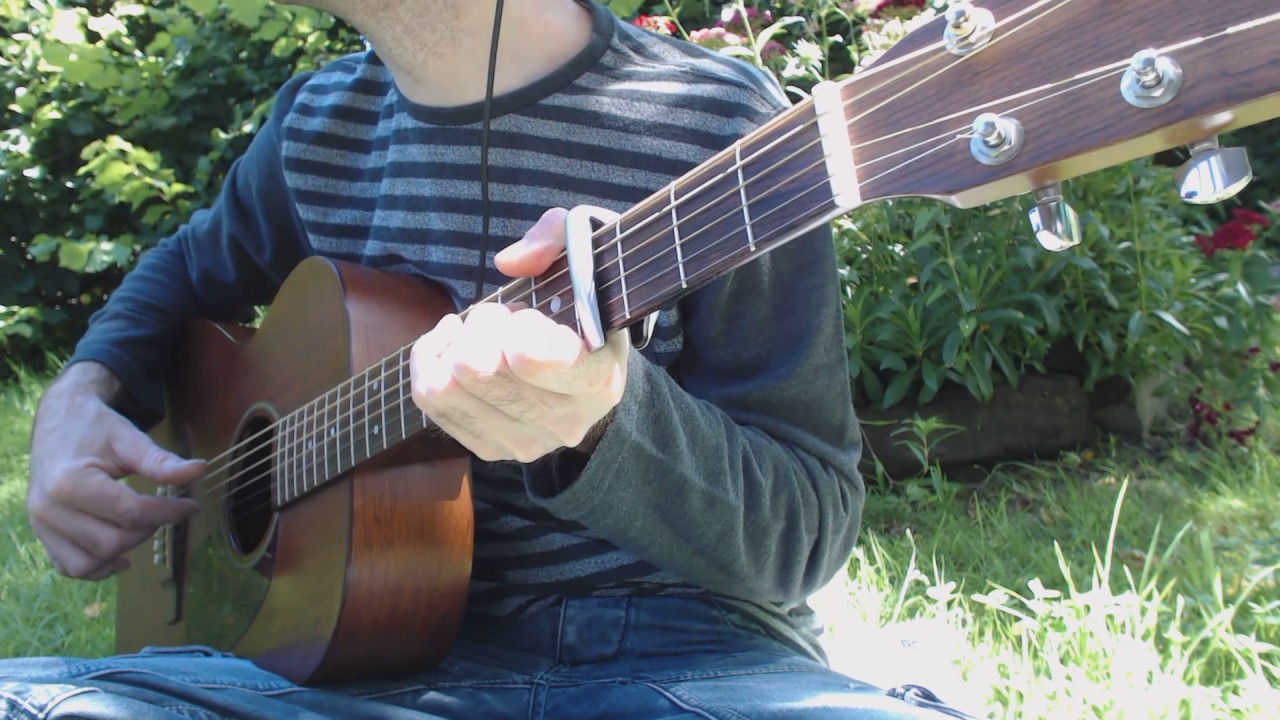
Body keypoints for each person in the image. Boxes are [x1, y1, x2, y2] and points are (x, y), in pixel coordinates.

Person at [3, 1, 971, 717]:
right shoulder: (314, 130)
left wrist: (603, 421)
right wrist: (82, 395)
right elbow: (180, 270)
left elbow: (804, 529)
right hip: (349, 674)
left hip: (683, 658)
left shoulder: (724, 128)